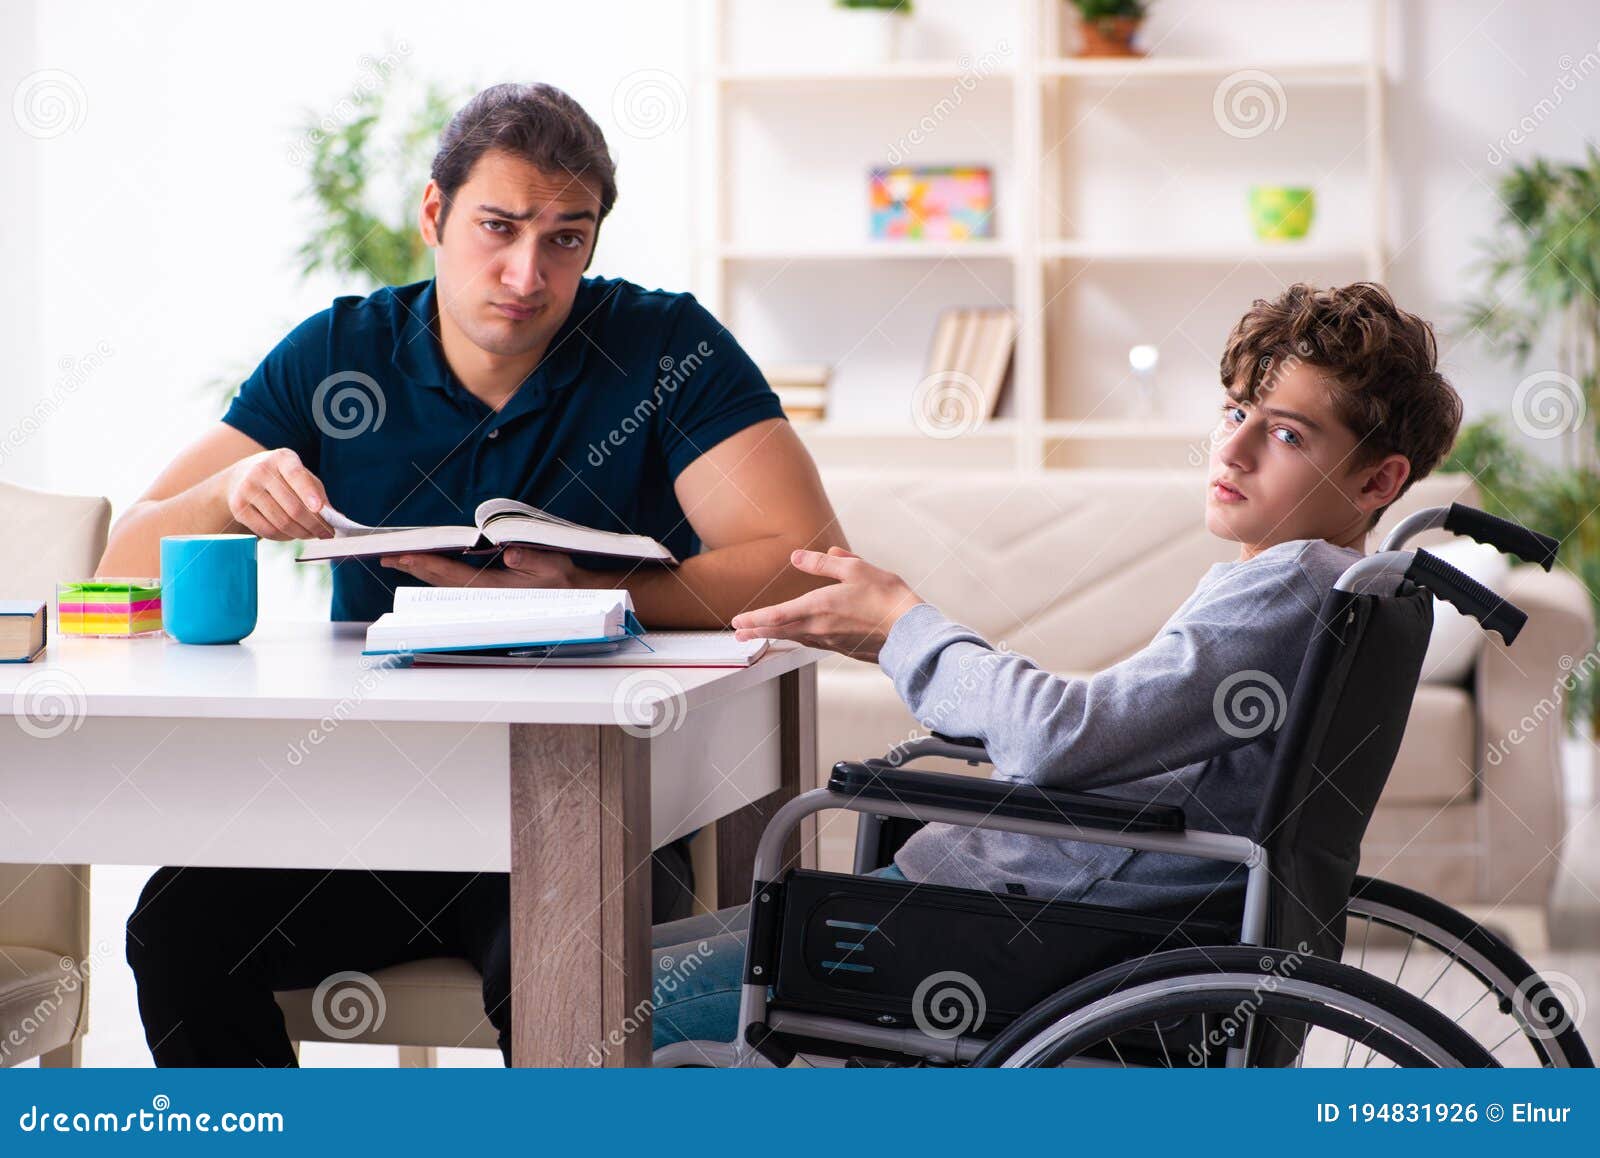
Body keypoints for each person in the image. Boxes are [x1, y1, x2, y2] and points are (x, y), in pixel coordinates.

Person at [108, 82, 845, 1066]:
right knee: (178, 930)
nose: (527, 273)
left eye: (566, 239)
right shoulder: (340, 353)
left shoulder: (664, 347)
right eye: (498, 227)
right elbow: (118, 568)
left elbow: (804, 563)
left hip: (586, 810)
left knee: (561, 971)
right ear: (434, 214)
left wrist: (594, 598)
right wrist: (228, 488)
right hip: (377, 810)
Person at [645, 281, 1464, 1051]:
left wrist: (904, 626)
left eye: (1286, 434)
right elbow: (1099, 736)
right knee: (633, 959)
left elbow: (1061, 735)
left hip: (1010, 930)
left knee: (611, 993)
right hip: (1022, 910)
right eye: (1235, 410)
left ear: (1378, 480)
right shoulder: (1326, 585)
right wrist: (894, 639)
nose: (1234, 448)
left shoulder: (1291, 587)